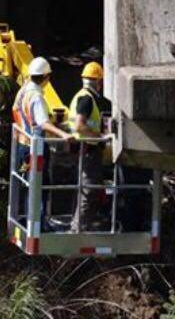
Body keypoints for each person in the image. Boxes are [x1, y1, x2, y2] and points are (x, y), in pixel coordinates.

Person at [12, 56, 74, 223]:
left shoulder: (23, 90)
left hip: (23, 144)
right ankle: (39, 223)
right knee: (40, 186)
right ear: (46, 77)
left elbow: (16, 109)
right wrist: (63, 135)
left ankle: (28, 219)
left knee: (29, 185)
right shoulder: (37, 97)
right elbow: (43, 123)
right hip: (36, 147)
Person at [68, 61, 110, 231]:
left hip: (83, 150)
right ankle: (78, 228)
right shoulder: (86, 99)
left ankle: (79, 224)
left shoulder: (81, 96)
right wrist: (101, 137)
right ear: (98, 82)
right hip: (89, 150)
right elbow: (79, 126)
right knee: (89, 190)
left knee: (86, 188)